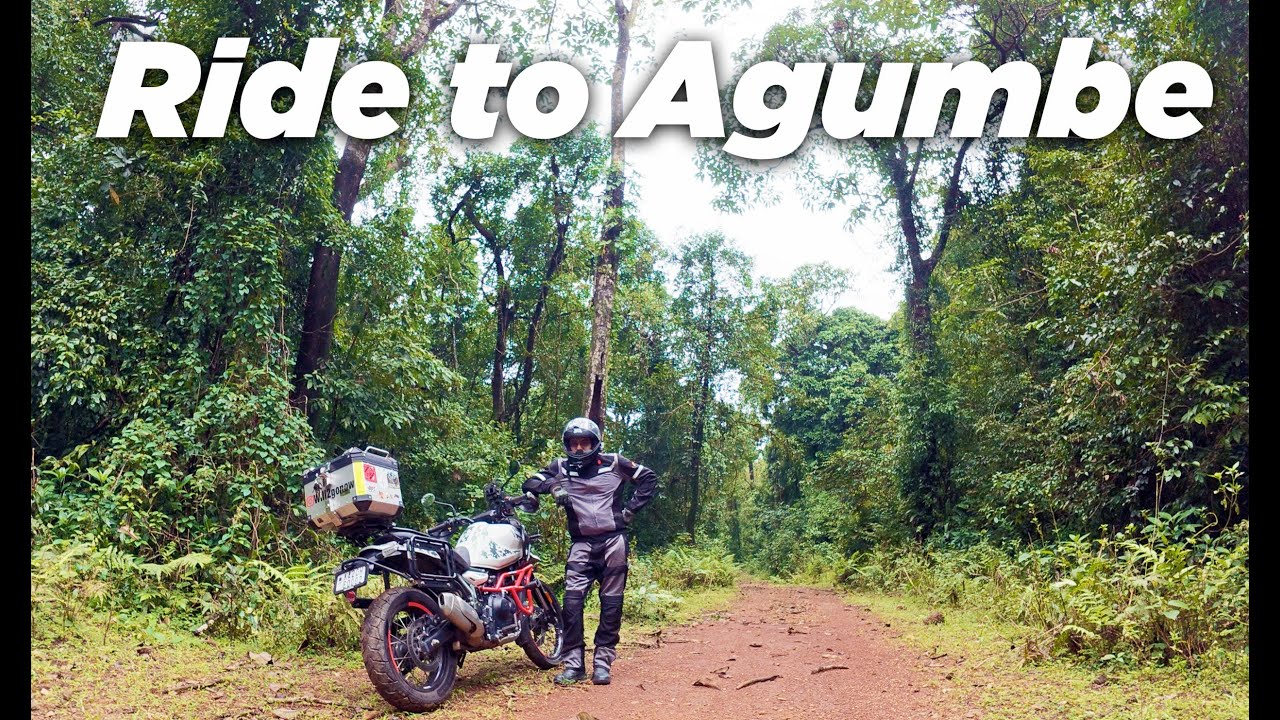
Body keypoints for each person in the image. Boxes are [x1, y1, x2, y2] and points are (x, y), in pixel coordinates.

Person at [522, 417, 659, 686]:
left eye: (584, 443)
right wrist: (553, 486)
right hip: (581, 544)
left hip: (613, 542)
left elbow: (648, 479)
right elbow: (530, 483)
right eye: (573, 443)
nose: (579, 448)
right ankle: (574, 665)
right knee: (571, 604)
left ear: (595, 443)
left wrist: (630, 512)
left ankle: (603, 663)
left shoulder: (614, 463)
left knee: (611, 604)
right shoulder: (560, 467)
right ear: (567, 445)